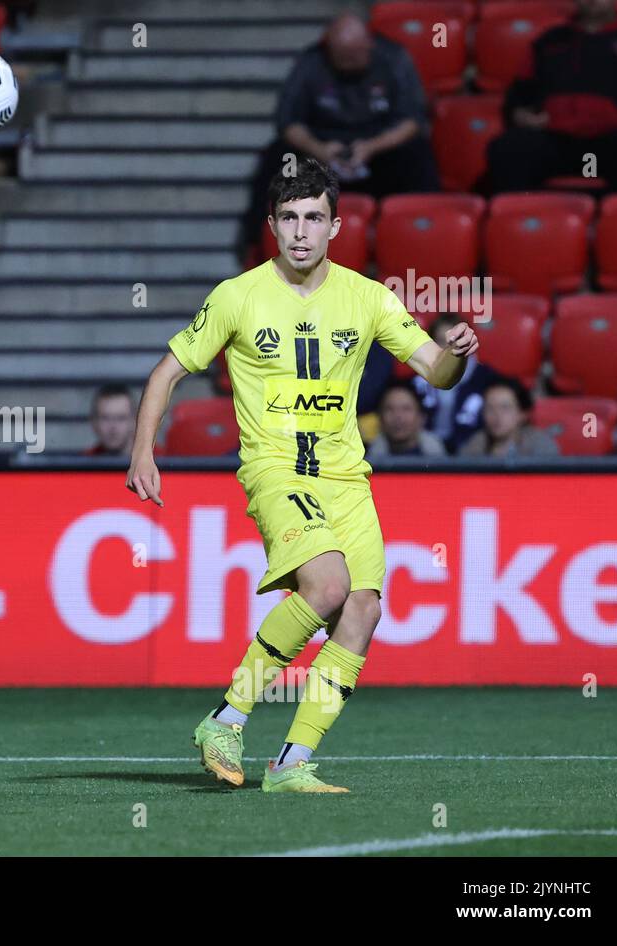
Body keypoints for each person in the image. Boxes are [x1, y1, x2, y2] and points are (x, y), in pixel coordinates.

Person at [127, 158, 479, 793]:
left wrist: (455, 356)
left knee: (363, 609)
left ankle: (291, 765)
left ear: (335, 227)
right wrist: (142, 451)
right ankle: (227, 717)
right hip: (276, 466)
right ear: (271, 225)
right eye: (288, 218)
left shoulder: (368, 296)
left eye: (313, 217)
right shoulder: (237, 295)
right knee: (326, 587)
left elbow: (434, 369)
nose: (300, 231)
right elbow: (167, 373)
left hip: (348, 478)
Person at [239, 12, 438, 261]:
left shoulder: (394, 58)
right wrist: (319, 149)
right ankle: (259, 246)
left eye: (355, 56)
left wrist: (371, 147)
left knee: (417, 153)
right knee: (279, 156)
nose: (349, 65)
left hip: (380, 151)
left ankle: (421, 242)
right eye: (342, 58)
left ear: (368, 43)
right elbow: (288, 122)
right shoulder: (311, 63)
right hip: (321, 154)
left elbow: (413, 120)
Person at [485, 0, 617, 194]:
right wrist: (520, 114)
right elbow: (520, 93)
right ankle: (523, 219)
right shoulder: (549, 41)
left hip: (613, 138)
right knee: (508, 149)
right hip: (556, 138)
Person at [411, 313, 495, 454]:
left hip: (473, 444)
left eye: (454, 342)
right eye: (439, 342)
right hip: (427, 448)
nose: (448, 349)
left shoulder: (486, 378)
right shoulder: (417, 380)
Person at [458, 377, 560, 458]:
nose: (496, 415)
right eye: (490, 408)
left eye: (505, 408)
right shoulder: (474, 446)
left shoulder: (541, 445)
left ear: (522, 413)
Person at [367, 380, 446, 458]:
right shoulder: (368, 461)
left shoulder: (439, 458)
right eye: (390, 409)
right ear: (380, 417)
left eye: (406, 409)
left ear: (421, 417)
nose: (398, 416)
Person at [85, 383, 136, 456]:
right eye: (105, 418)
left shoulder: (155, 461)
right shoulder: (83, 463)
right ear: (94, 422)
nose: (113, 427)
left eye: (121, 418)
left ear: (134, 421)